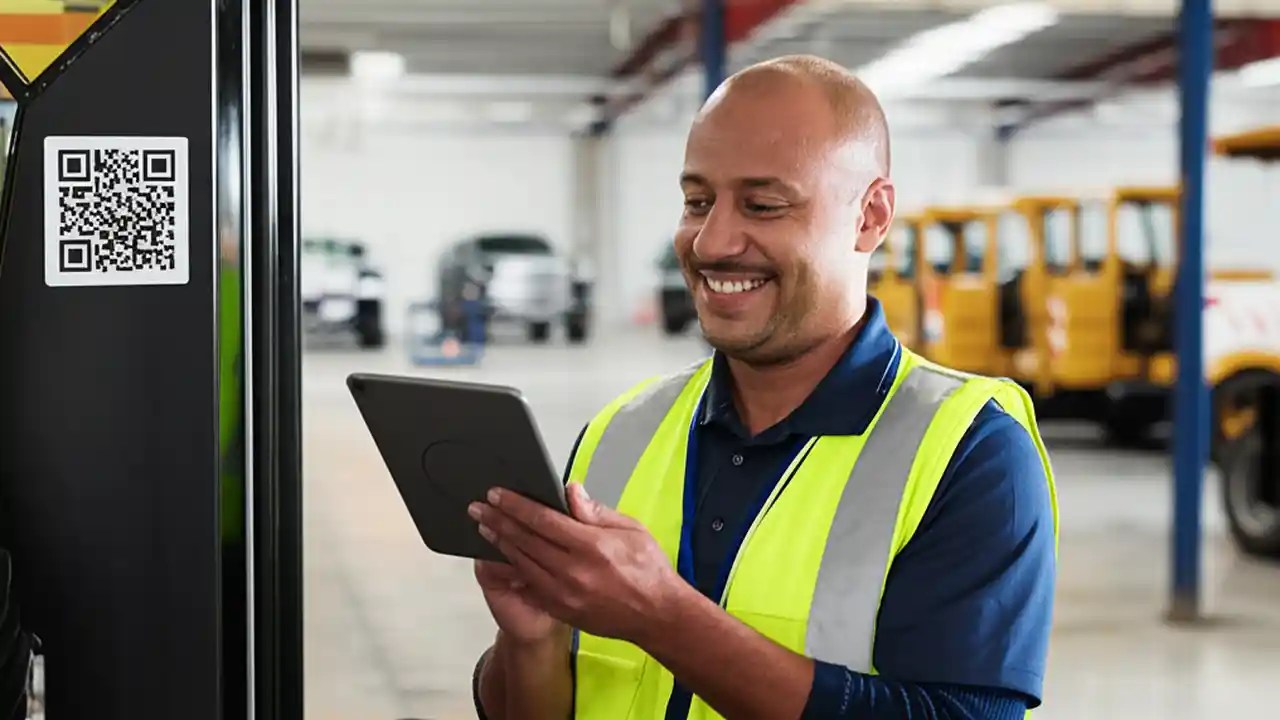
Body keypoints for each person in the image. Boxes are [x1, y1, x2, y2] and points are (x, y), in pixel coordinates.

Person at [467, 54, 1058, 720]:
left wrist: (660, 615)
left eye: (763, 206)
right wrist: (531, 643)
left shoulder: (970, 452)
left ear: (870, 216)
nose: (713, 240)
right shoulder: (618, 433)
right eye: (697, 201)